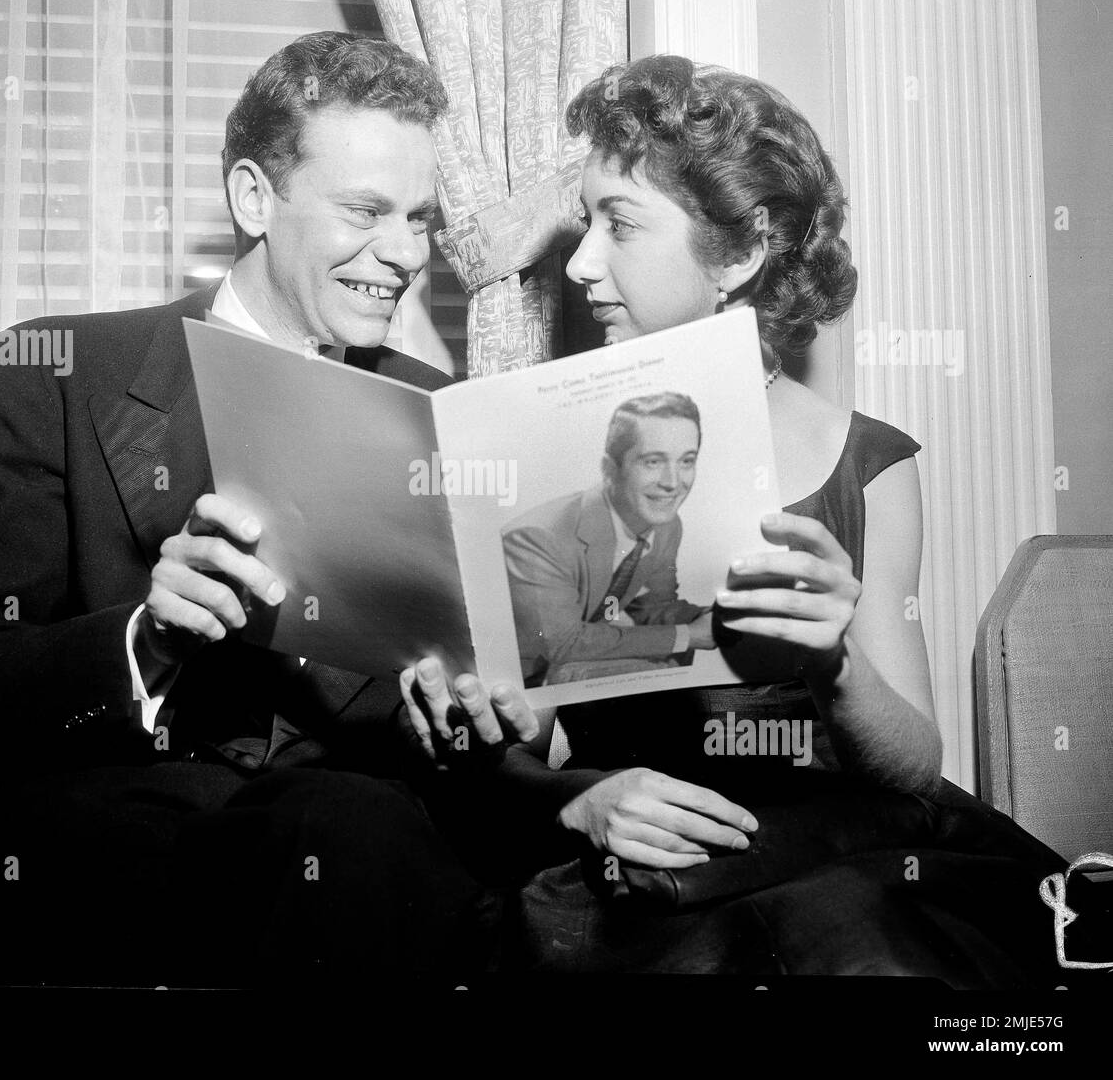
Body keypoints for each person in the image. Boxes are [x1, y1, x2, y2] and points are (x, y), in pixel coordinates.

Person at [0, 31, 535, 984]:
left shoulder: (442, 414)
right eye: (366, 210)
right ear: (253, 198)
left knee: (365, 843)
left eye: (420, 218)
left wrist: (457, 714)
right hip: (103, 854)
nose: (404, 254)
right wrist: (145, 636)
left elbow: (461, 711)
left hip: (360, 863)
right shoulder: (57, 374)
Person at [466, 54, 1108, 982]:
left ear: (740, 251)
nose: (580, 263)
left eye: (621, 224)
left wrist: (835, 662)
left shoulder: (868, 464)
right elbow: (531, 737)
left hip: (852, 851)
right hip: (657, 872)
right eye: (585, 221)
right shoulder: (540, 455)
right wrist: (554, 764)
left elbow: (915, 762)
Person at [501, 392, 713, 684]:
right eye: (652, 462)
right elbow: (562, 644)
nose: (673, 483)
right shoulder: (538, 537)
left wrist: (714, 616)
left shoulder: (666, 526)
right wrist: (690, 635)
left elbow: (649, 607)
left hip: (574, 678)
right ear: (609, 469)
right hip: (520, 683)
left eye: (687, 461)